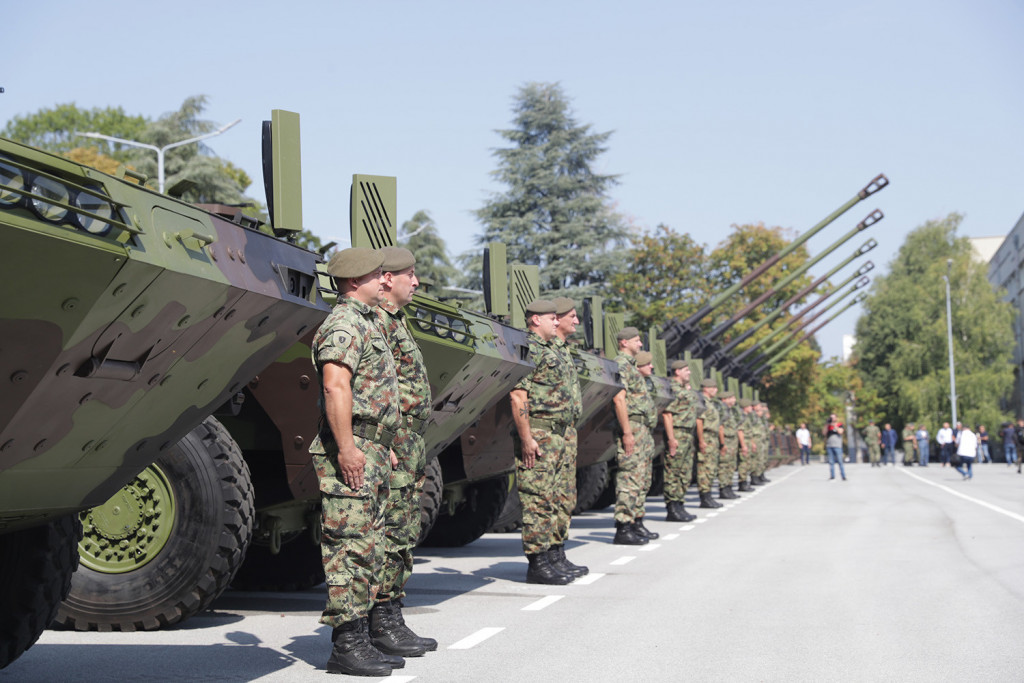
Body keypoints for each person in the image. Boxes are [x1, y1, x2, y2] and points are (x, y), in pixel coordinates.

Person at [310, 247, 405, 676]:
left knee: (371, 546)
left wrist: (380, 443)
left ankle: (363, 636)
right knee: (350, 546)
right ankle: (346, 644)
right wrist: (348, 447)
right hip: (353, 449)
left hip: (372, 448)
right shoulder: (345, 324)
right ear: (353, 282)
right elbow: (336, 388)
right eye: (375, 276)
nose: (383, 280)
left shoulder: (368, 323)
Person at [369, 247, 437, 658]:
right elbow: (378, 390)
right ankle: (380, 621)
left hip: (410, 442)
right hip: (394, 442)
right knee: (387, 531)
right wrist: (390, 440)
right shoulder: (375, 323)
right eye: (408, 274)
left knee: (403, 532)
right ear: (386, 278)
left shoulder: (397, 321)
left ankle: (392, 614)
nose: (415, 282)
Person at [510, 298, 582, 583]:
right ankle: (538, 562)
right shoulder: (530, 349)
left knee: (561, 496)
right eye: (552, 317)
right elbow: (518, 396)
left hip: (560, 433)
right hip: (540, 432)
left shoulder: (554, 350)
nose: (558, 321)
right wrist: (527, 438)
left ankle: (555, 553)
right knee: (538, 498)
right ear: (536, 320)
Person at [550, 296, 586, 576]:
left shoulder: (563, 351)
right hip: (548, 431)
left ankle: (558, 551)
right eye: (571, 316)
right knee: (547, 496)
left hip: (566, 432)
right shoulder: (545, 350)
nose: (576, 321)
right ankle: (545, 557)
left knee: (565, 495)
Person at [611, 327, 657, 544]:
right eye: (636, 341)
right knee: (629, 477)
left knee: (641, 478)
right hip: (632, 428)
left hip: (642, 428)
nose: (640, 345)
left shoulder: (631, 367)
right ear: (624, 343)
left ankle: (636, 522)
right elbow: (619, 400)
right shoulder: (621, 365)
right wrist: (627, 432)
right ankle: (623, 527)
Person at [661, 360, 698, 522]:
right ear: (677, 372)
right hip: (677, 433)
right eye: (686, 370)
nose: (689, 372)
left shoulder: (683, 390)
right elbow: (667, 414)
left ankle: (680, 504)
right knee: (673, 472)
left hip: (687, 434)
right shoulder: (673, 390)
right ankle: (672, 508)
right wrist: (671, 438)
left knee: (684, 471)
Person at [695, 378, 723, 508]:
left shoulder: (710, 403)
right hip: (706, 437)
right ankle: (704, 497)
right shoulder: (702, 402)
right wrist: (701, 440)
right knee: (704, 468)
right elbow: (699, 421)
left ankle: (709, 495)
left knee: (711, 468)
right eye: (713, 387)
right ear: (706, 388)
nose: (715, 390)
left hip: (712, 438)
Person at [717, 391, 742, 499]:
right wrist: (722, 443)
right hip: (726, 440)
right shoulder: (722, 410)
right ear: (724, 399)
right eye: (731, 398)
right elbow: (720, 427)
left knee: (731, 466)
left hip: (732, 441)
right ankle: (723, 489)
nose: (734, 400)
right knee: (724, 466)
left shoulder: (730, 411)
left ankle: (728, 487)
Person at [736, 398, 757, 491]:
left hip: (748, 441)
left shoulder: (747, 416)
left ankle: (745, 482)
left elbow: (749, 432)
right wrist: (743, 445)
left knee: (747, 463)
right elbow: (740, 431)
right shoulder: (742, 417)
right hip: (744, 442)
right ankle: (742, 483)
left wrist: (752, 443)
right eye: (750, 406)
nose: (752, 408)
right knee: (743, 464)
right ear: (745, 407)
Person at [825, 414, 846, 481]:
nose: (832, 419)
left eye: (833, 418)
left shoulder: (839, 424)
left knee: (840, 461)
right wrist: (826, 425)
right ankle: (832, 476)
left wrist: (834, 425)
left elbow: (840, 432)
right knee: (831, 462)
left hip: (838, 446)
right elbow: (824, 433)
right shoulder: (828, 426)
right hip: (829, 446)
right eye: (831, 418)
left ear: (836, 418)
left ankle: (843, 476)